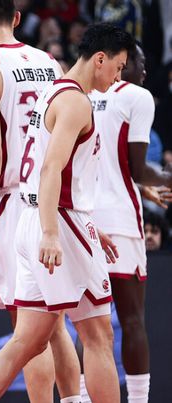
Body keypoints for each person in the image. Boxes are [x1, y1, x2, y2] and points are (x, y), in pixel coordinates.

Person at [0, 23, 135, 403]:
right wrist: (53, 232)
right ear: (100, 59)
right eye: (119, 67)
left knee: (27, 340)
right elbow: (50, 169)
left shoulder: (51, 92)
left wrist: (72, 224)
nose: (118, 77)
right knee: (98, 334)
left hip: (31, 219)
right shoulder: (75, 101)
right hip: (56, 220)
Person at [0, 1, 80, 401]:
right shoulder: (50, 62)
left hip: (14, 202)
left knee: (28, 328)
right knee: (54, 323)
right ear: (15, 18)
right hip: (52, 198)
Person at [87, 43, 172, 402]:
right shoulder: (138, 96)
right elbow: (138, 168)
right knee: (132, 319)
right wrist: (165, 178)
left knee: (89, 329)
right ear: (121, 62)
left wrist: (141, 184)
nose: (145, 70)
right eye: (140, 61)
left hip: (82, 221)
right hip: (120, 221)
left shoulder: (81, 95)